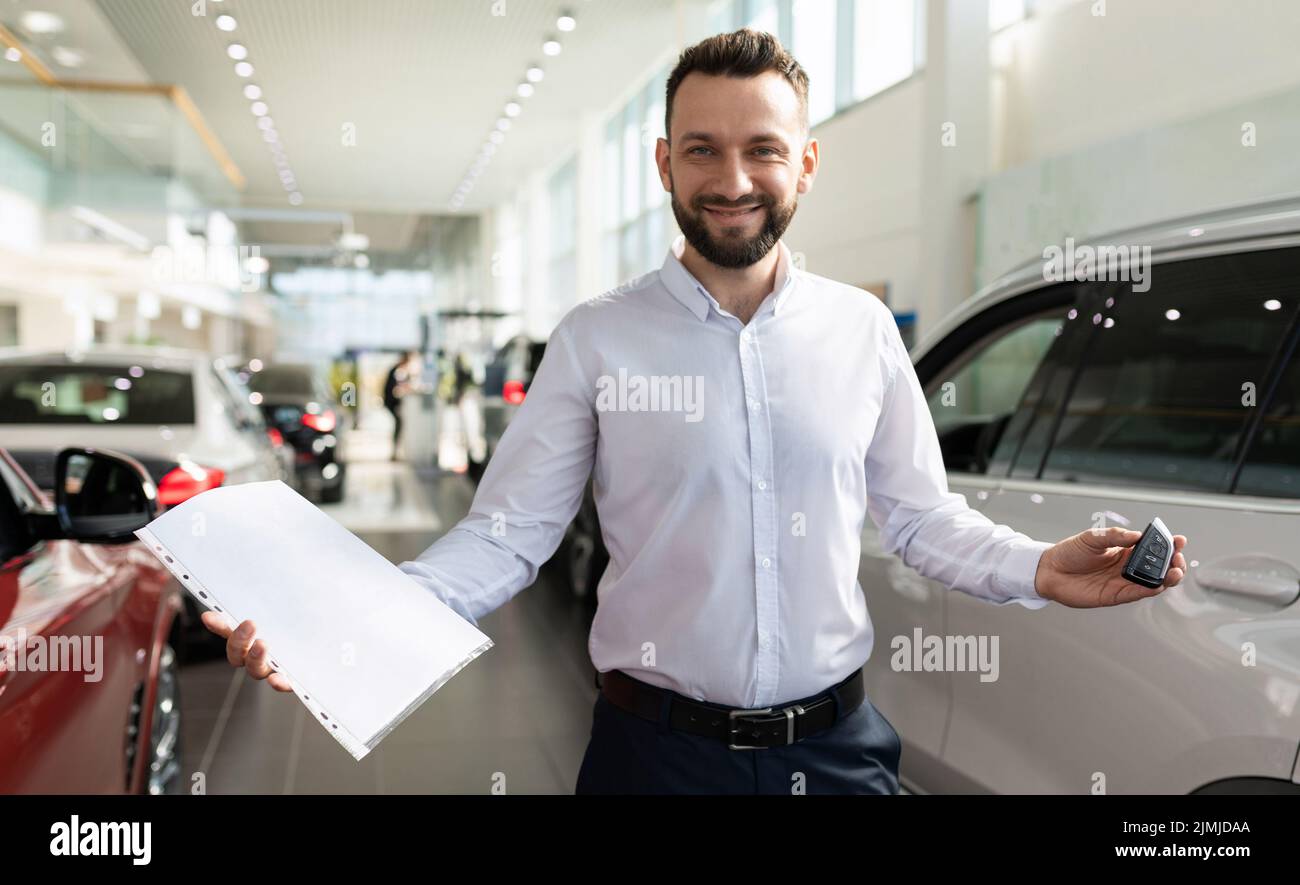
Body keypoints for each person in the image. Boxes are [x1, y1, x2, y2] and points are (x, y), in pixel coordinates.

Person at [204, 29, 1188, 794]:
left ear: (805, 164)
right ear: (664, 163)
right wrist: (352, 621)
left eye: (762, 150)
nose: (731, 181)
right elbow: (507, 539)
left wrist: (1034, 569)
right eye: (701, 151)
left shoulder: (860, 331)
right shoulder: (595, 339)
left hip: (837, 755)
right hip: (653, 763)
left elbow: (922, 520)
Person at [382, 350, 416, 461]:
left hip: (392, 402)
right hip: (392, 402)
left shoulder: (397, 369)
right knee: (398, 424)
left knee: (398, 424)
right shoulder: (398, 370)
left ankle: (395, 451)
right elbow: (396, 389)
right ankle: (394, 451)